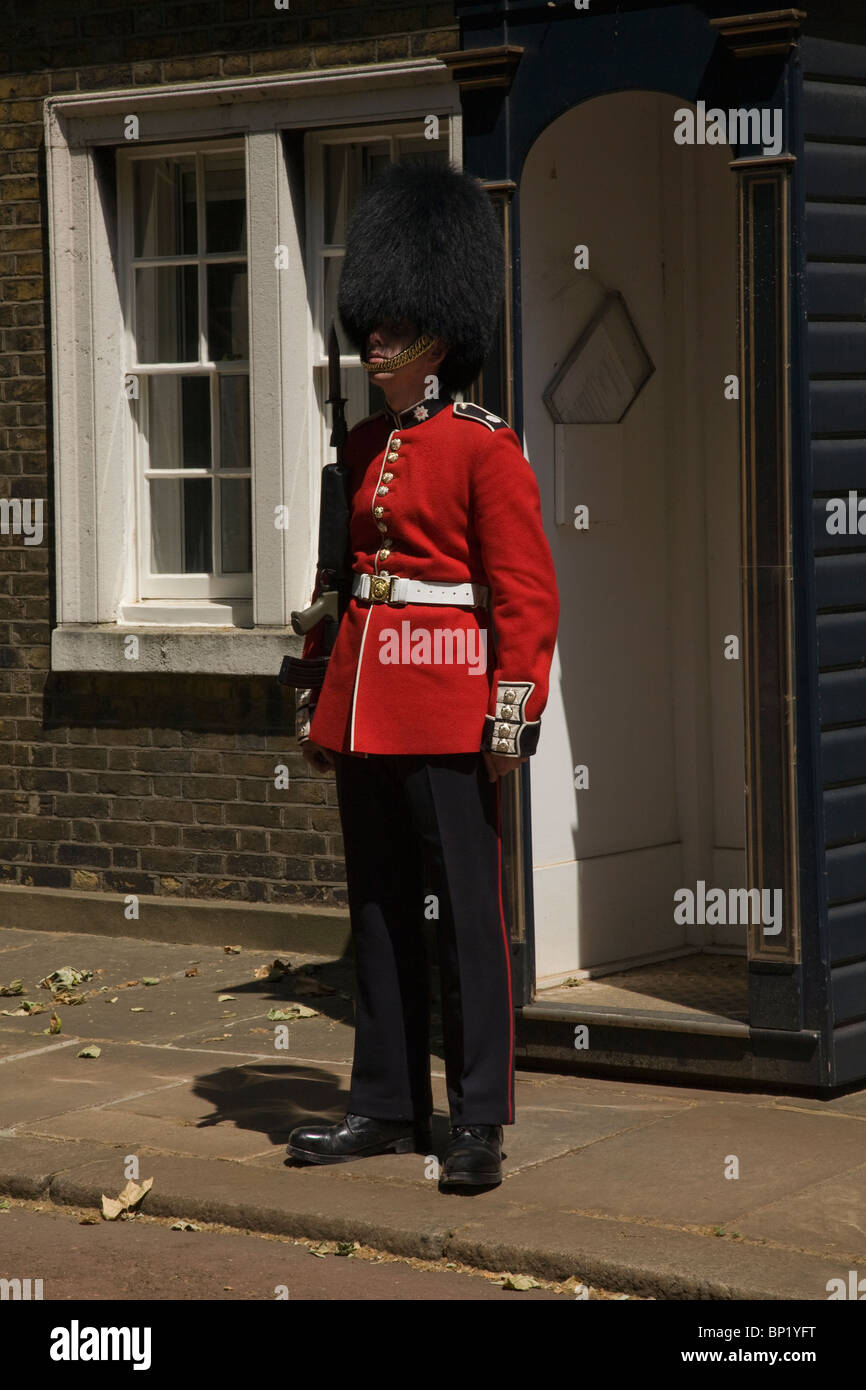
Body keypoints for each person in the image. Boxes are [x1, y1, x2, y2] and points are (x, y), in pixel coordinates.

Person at [286, 161, 560, 1188]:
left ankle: (477, 1118)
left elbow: (525, 594)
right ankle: (386, 1105)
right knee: (376, 910)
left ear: (437, 338)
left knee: (467, 924)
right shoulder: (361, 446)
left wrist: (511, 710)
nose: (373, 342)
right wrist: (321, 698)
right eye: (370, 325)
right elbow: (342, 586)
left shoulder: (485, 448)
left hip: (447, 704)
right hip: (367, 703)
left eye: (393, 327)